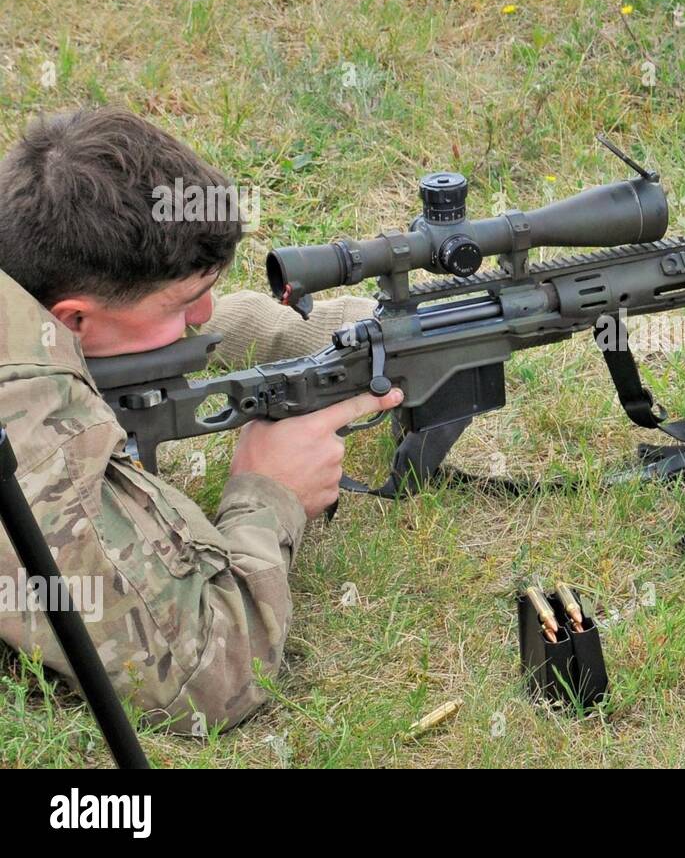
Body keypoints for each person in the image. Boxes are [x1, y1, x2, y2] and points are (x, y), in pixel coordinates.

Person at [0, 106, 399, 735]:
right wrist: (270, 495)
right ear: (74, 320)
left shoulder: (30, 276)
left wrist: (359, 336)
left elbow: (181, 330)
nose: (203, 312)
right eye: (185, 301)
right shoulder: (32, 438)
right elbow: (204, 679)